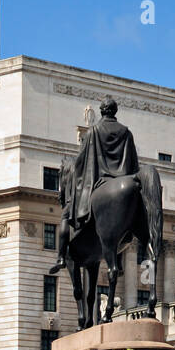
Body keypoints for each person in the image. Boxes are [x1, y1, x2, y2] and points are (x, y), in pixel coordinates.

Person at [49, 97, 141, 273]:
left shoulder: (94, 131)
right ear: (115, 111)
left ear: (101, 111)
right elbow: (133, 163)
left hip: (98, 183)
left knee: (65, 216)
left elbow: (81, 162)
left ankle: (61, 257)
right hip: (124, 183)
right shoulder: (126, 132)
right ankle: (118, 261)